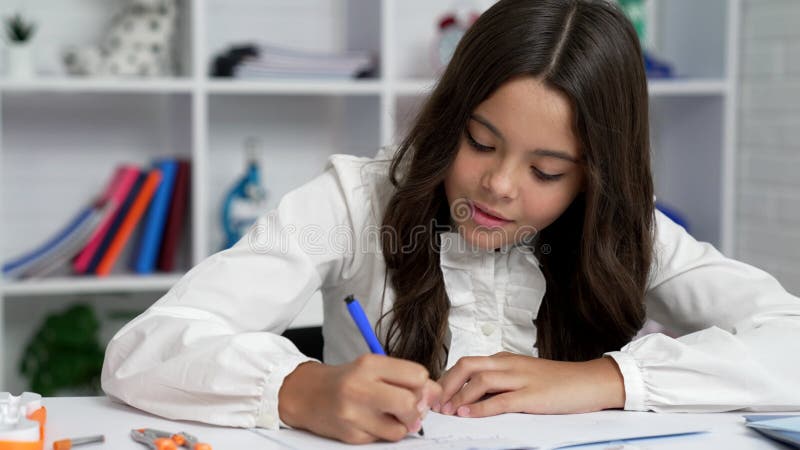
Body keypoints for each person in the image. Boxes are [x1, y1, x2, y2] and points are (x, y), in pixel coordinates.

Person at [101, 0, 800, 444]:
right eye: (481, 142)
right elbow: (142, 349)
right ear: (447, 117)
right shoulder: (353, 202)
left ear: (595, 177)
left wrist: (601, 380)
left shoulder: (626, 229)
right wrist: (301, 388)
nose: (498, 185)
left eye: (547, 171)